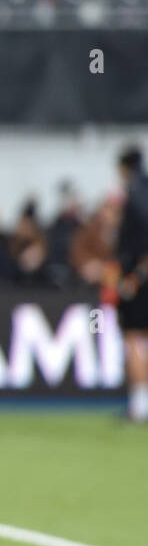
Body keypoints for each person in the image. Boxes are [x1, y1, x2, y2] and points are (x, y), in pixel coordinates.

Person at [114, 146, 148, 422]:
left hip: (139, 280)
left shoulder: (136, 196)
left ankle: (140, 405)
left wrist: (136, 275)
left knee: (135, 338)